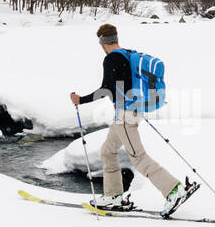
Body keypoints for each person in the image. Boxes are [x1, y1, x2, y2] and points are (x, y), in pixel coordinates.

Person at [69, 23, 190, 213]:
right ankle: (113, 196)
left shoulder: (111, 59)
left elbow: (105, 90)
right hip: (128, 112)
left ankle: (173, 190)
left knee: (137, 157)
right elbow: (118, 87)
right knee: (108, 151)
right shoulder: (126, 55)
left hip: (126, 115)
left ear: (102, 40)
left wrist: (80, 100)